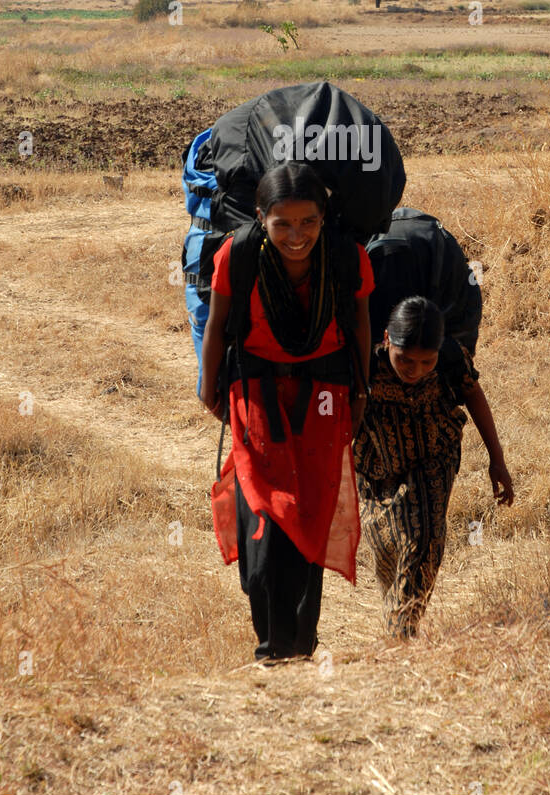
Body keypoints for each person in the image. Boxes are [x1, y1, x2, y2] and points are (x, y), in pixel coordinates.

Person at [199, 161, 374, 663]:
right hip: (257, 386)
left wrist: (360, 393)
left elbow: (360, 324)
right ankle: (272, 636)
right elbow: (218, 323)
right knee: (265, 503)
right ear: (261, 218)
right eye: (283, 225)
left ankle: (297, 640)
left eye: (309, 223)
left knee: (312, 506)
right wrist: (208, 385)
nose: (297, 236)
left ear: (325, 218)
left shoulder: (346, 257)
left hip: (324, 388)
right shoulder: (239, 254)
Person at [353, 295, 513, 639]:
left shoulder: (452, 359)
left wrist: (496, 460)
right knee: (387, 552)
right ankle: (398, 614)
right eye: (406, 360)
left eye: (427, 362)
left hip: (434, 457)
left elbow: (474, 397)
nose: (416, 371)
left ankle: (402, 638)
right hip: (375, 465)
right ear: (386, 339)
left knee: (423, 538)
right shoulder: (365, 363)